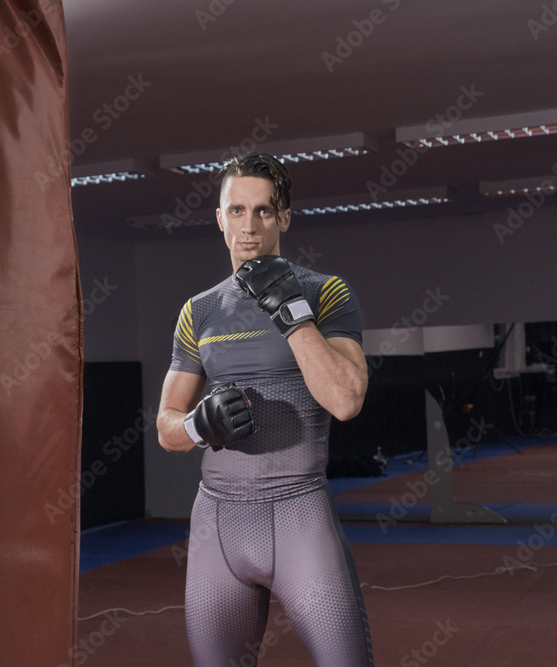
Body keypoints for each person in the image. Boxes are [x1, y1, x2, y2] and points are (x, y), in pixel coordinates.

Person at [157, 152, 374, 665]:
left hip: (300, 512)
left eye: (263, 211)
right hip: (218, 521)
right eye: (236, 211)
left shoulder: (325, 292)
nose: (248, 226)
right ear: (219, 218)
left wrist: (294, 317)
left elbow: (346, 400)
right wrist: (196, 423)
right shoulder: (200, 310)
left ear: (284, 218)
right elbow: (166, 428)